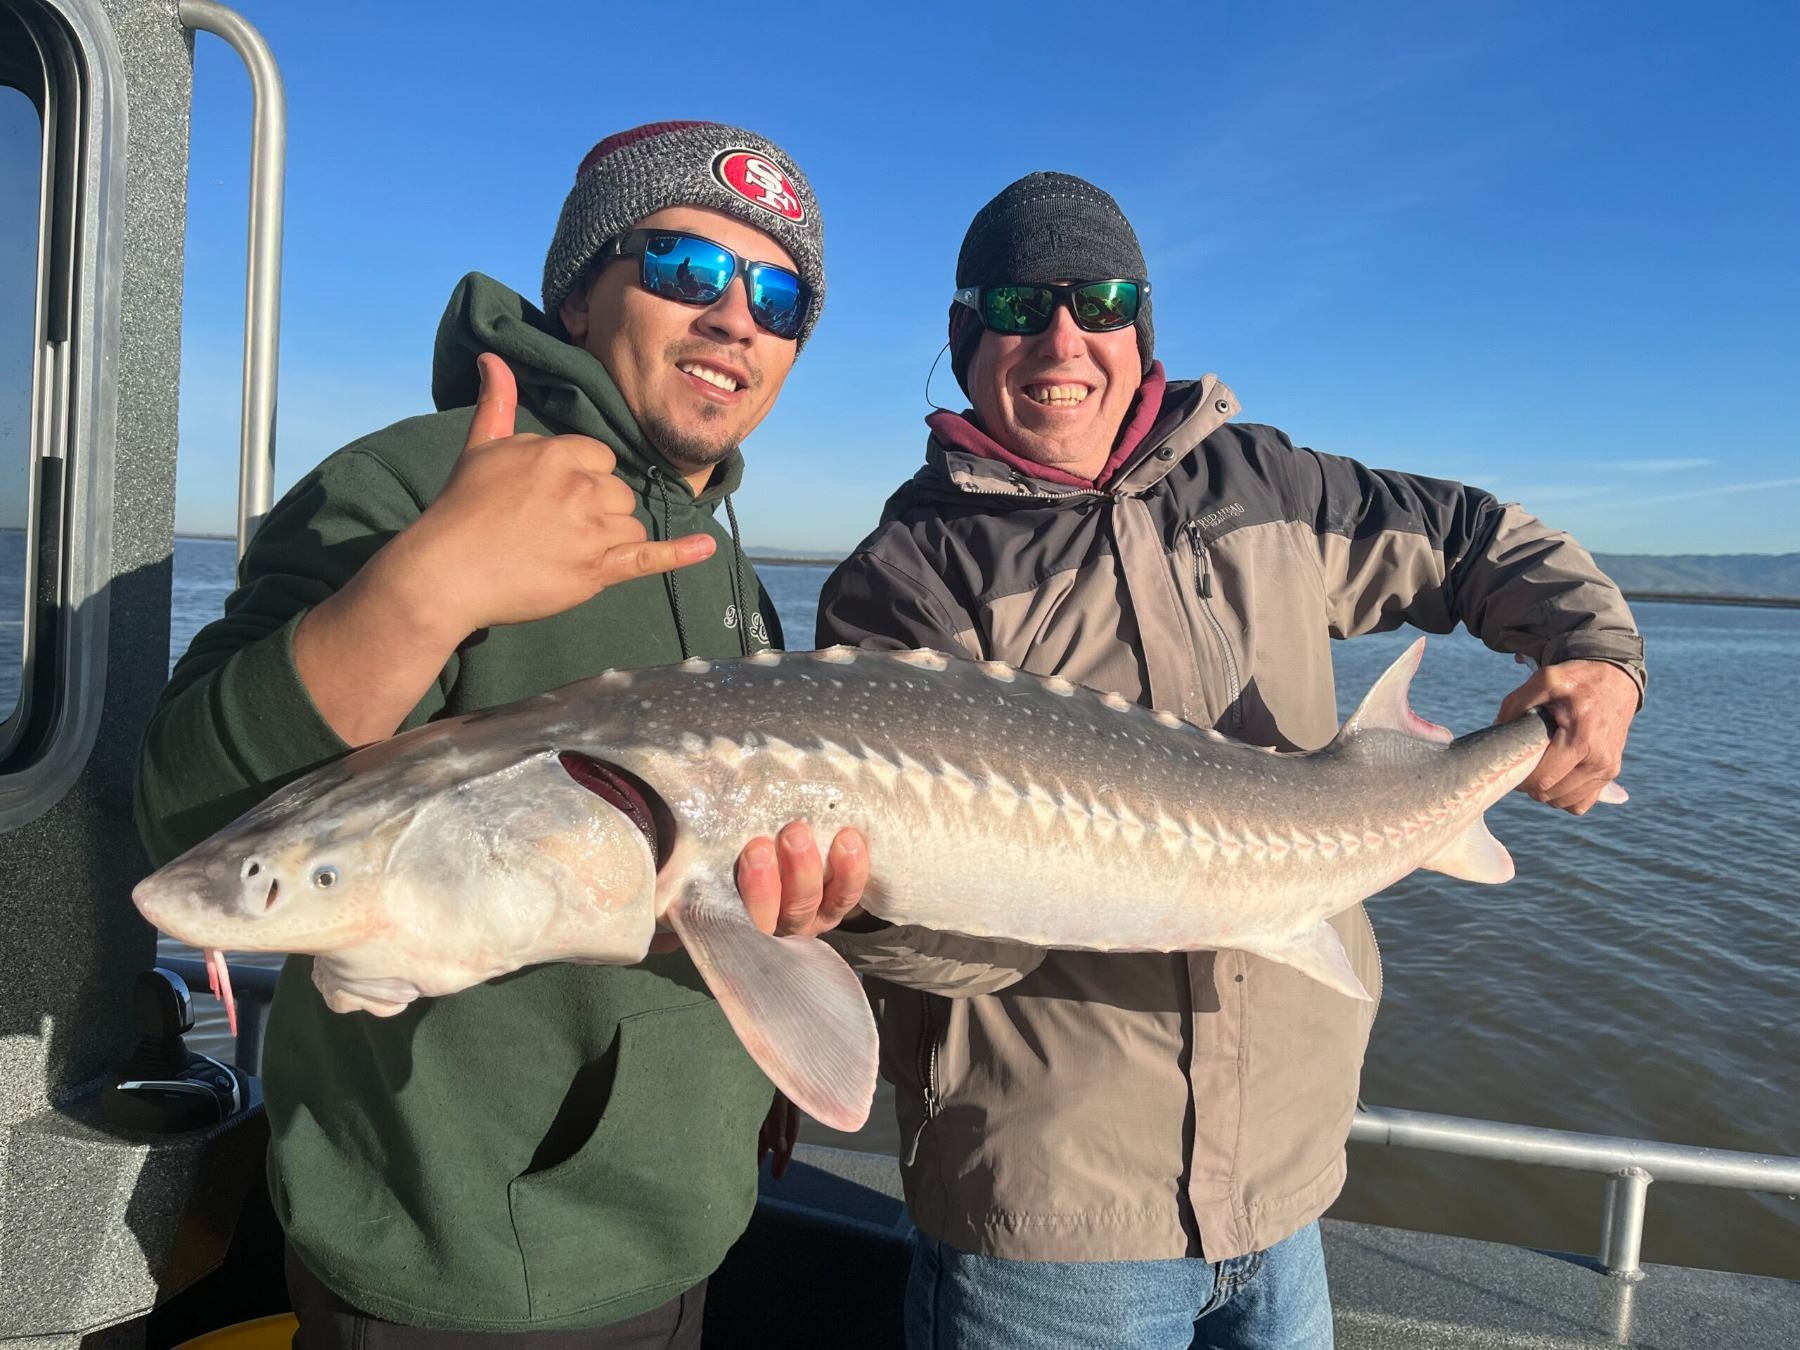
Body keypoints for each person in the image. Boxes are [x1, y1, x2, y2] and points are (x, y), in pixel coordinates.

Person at [817, 172, 1644, 1350]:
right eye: (1018, 302)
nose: (1065, 337)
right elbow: (939, 957)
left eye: (1101, 301)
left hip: (1294, 1189)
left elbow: (1477, 539)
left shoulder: (1264, 484)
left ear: (1138, 327)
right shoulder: (906, 576)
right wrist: (859, 905)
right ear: (964, 338)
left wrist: (1598, 657)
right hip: (1058, 1227)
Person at [134, 121, 868, 1347]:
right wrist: (424, 588)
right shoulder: (418, 481)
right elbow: (188, 821)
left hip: (671, 1225)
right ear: (580, 293)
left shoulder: (729, 570)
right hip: (463, 1261)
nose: (738, 317)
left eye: (779, 296)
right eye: (688, 270)